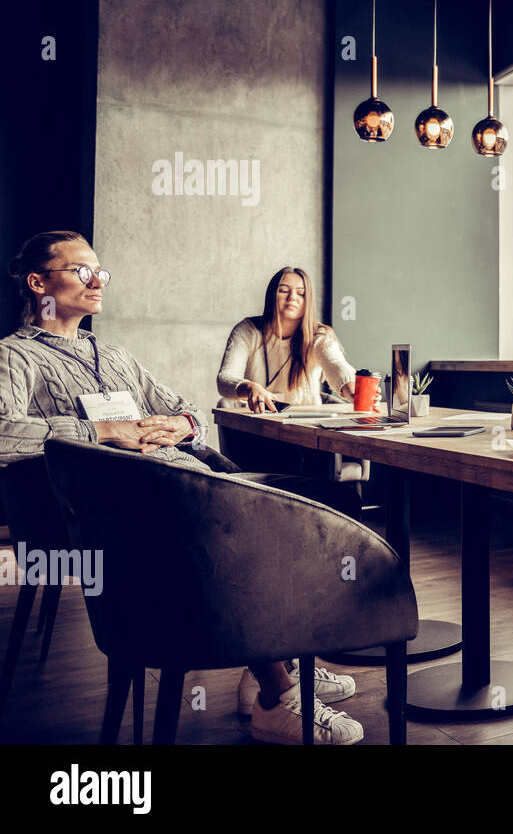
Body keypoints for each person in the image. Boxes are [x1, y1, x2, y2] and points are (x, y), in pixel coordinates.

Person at [2, 231, 365, 745]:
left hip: (188, 474)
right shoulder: (15, 356)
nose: (97, 281)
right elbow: (1, 431)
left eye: (100, 272)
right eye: (82, 271)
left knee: (307, 506)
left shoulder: (115, 355)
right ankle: (275, 695)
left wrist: (181, 425)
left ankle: (270, 666)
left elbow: (185, 406)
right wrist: (102, 430)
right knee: (234, 530)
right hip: (122, 505)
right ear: (38, 282)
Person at [216, 267, 357, 476]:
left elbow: (337, 366)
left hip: (308, 430)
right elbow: (225, 379)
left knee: (310, 459)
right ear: (272, 294)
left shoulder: (319, 335)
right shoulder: (248, 330)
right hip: (261, 433)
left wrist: (353, 388)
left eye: (301, 293)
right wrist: (250, 387)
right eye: (284, 290)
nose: (293, 297)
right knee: (291, 459)